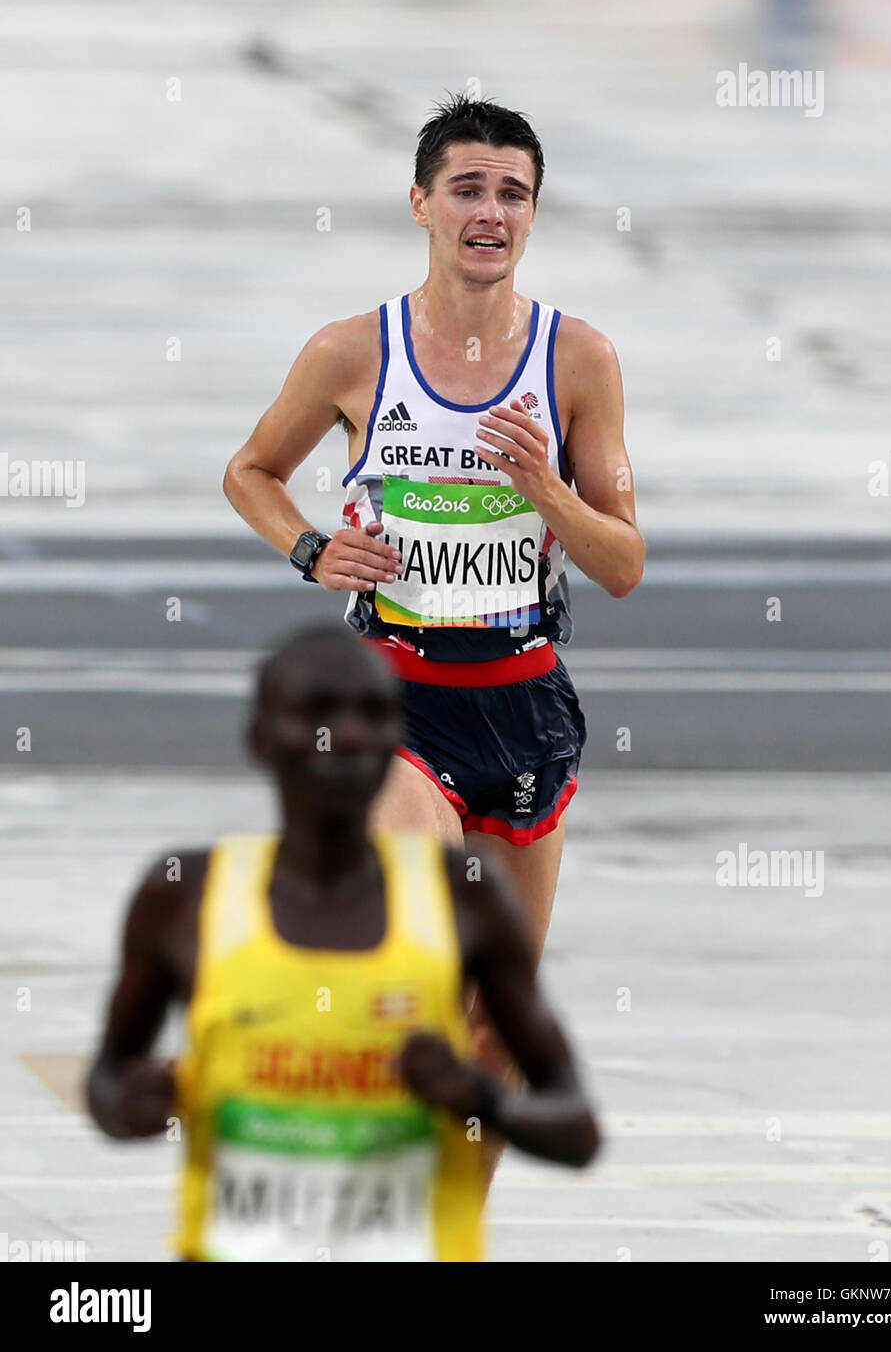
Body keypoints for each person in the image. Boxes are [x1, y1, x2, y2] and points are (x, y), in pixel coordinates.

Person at [222, 93, 644, 1104]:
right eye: (467, 189)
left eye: (512, 193)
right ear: (421, 203)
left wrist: (547, 491)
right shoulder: (352, 351)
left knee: (497, 1028)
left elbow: (624, 562)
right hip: (391, 698)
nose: (489, 212)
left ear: (532, 214)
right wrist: (310, 549)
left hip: (524, 699)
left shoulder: (578, 359)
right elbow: (250, 472)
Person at [86, 626, 599, 1262]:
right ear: (260, 738)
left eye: (373, 716)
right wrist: (130, 1104)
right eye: (318, 715)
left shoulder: (473, 903)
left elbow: (576, 1131)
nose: (347, 736)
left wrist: (481, 1099)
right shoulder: (184, 896)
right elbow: (108, 1080)